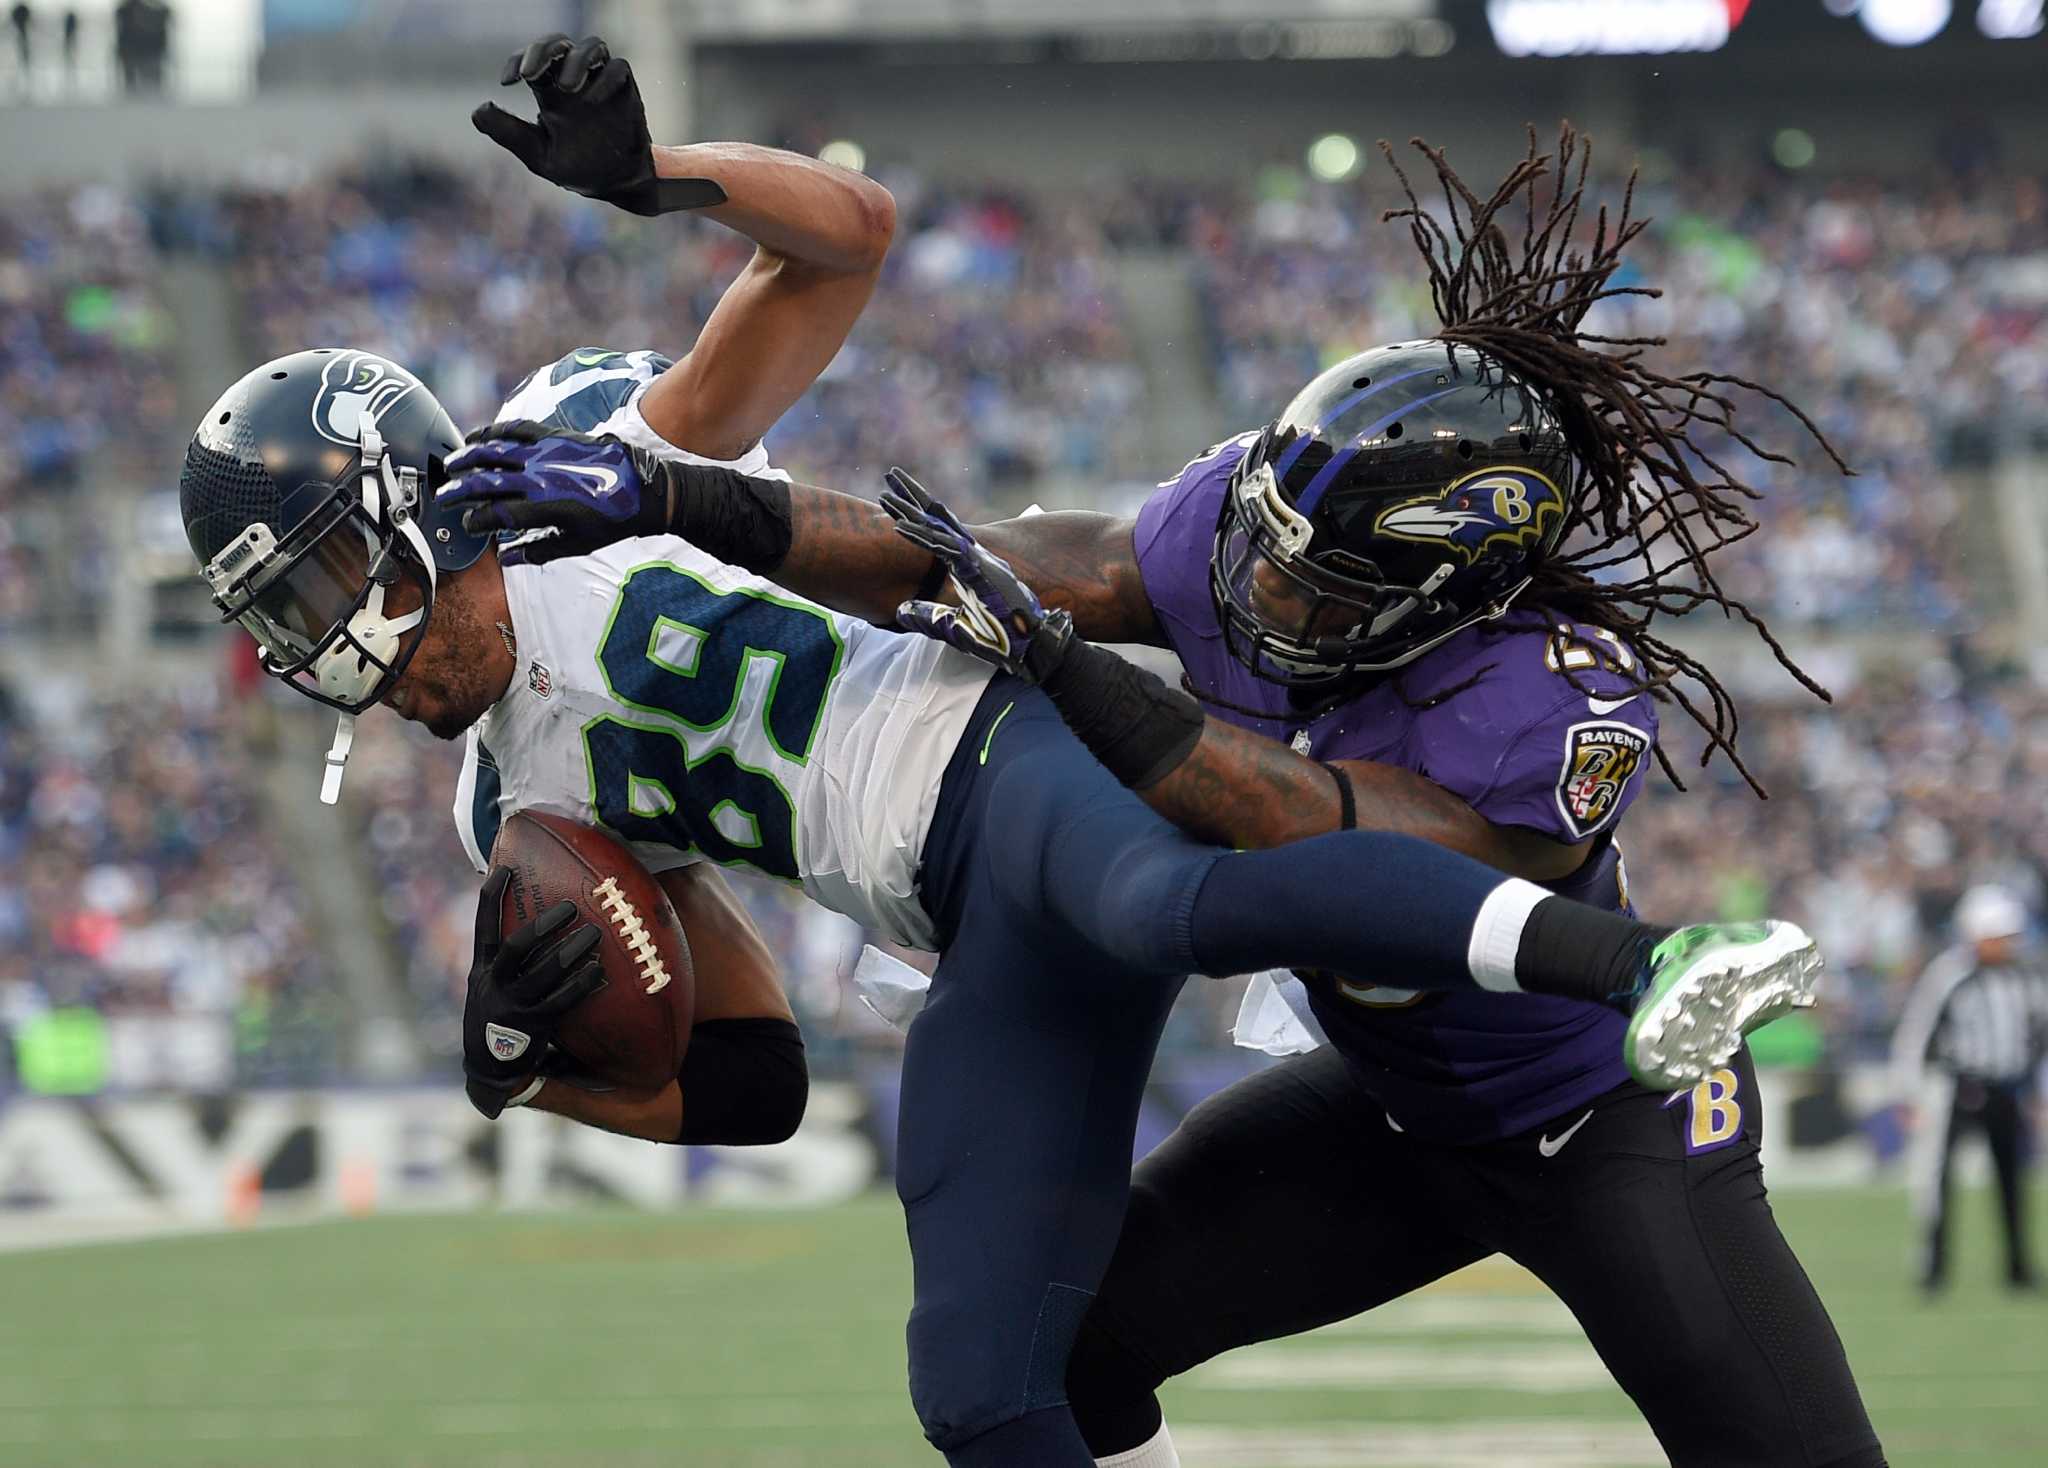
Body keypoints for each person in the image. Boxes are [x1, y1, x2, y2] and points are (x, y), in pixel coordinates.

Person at [178, 51, 1822, 1465]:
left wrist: (662, 189)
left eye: (327, 576)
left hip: (1532, 1068)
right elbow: (750, 1078)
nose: (325, 639)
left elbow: (845, 246)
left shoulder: (1553, 702)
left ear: (406, 499)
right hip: (1261, 1051)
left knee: (1179, 894)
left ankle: (1663, 957)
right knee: (1001, 1373)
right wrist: (549, 1068)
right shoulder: (507, 806)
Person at [1894, 883, 2048, 1294]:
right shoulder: (1950, 974)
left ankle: (2019, 1268)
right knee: (1938, 1179)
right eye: (2001, 935)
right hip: (1956, 1088)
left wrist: (2036, 1092)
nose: (2008, 943)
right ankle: (1934, 1269)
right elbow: (1917, 1033)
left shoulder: (2027, 976)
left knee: (2014, 1180)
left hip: (2008, 1089)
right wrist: (1910, 1091)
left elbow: (2037, 1037)